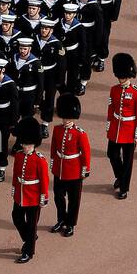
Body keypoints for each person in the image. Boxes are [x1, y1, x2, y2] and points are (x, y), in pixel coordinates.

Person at [49, 92, 90, 237]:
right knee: (58, 197)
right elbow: (54, 147)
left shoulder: (80, 134)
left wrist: (85, 169)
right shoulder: (57, 130)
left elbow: (85, 153)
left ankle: (70, 224)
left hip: (74, 171)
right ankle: (61, 219)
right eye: (64, 117)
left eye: (68, 117)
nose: (66, 120)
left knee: (73, 200)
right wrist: (53, 163)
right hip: (60, 169)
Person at [9, 115, 49, 263]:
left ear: (34, 143)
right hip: (20, 193)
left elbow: (44, 181)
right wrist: (14, 188)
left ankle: (29, 251)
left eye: (27, 144)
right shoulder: (19, 156)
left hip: (33, 196)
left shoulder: (40, 160)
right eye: (23, 143)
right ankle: (30, 238)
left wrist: (43, 197)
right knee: (16, 217)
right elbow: (15, 174)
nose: (24, 146)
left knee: (32, 224)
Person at [106, 52, 137, 199]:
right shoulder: (114, 90)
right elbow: (111, 109)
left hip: (129, 129)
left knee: (128, 161)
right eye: (119, 77)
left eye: (123, 77)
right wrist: (109, 124)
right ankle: (121, 177)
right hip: (116, 127)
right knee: (112, 154)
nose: (121, 80)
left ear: (129, 76)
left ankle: (124, 188)